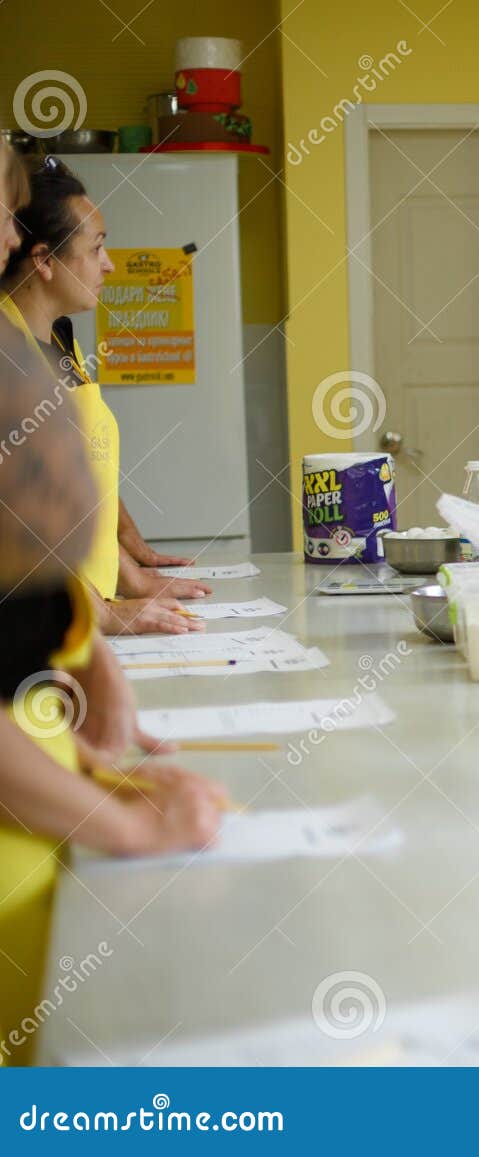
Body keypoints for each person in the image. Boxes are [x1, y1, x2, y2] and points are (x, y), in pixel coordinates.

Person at [0, 146, 223, 1065]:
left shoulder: (24, 350)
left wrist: (87, 641)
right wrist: (127, 821)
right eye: (1, 210)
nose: (10, 233)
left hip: (33, 820)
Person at [0, 155, 210, 635]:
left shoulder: (59, 341)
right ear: (44, 260)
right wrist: (104, 613)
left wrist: (128, 576)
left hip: (86, 617)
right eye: (97, 249)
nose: (109, 265)